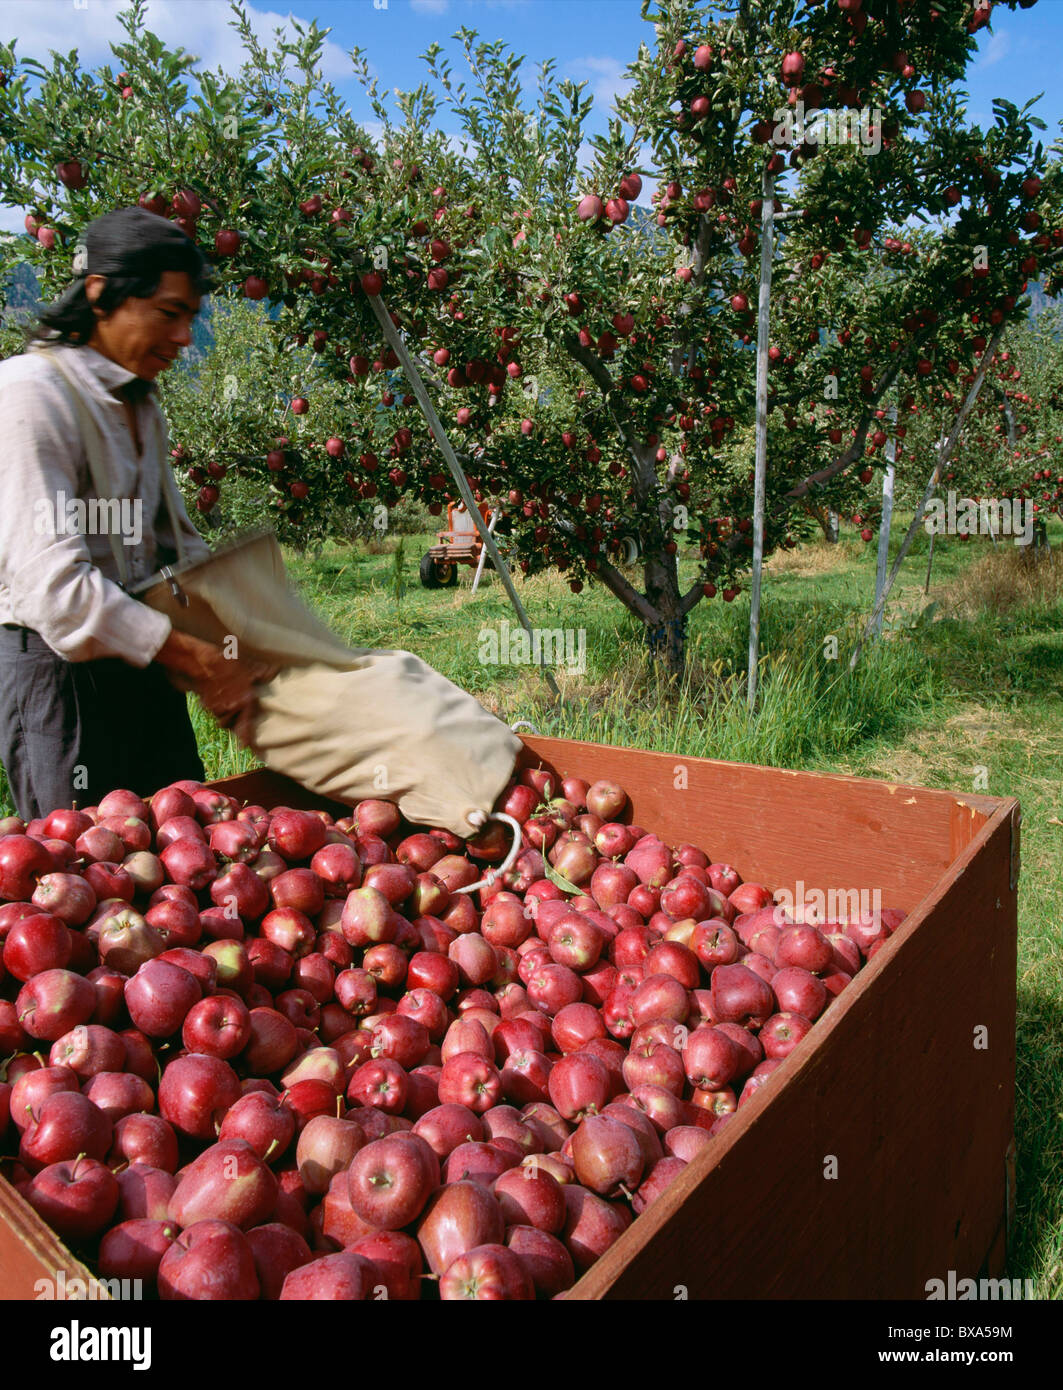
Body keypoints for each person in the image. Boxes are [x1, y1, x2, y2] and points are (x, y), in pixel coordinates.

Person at [0, 206, 271, 820]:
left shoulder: (140, 406)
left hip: (146, 658)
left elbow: (175, 545)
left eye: (190, 319)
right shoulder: (29, 396)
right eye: (168, 314)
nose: (182, 337)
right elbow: (56, 593)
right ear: (101, 295)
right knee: (83, 871)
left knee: (184, 841)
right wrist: (197, 658)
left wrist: (239, 642)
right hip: (58, 675)